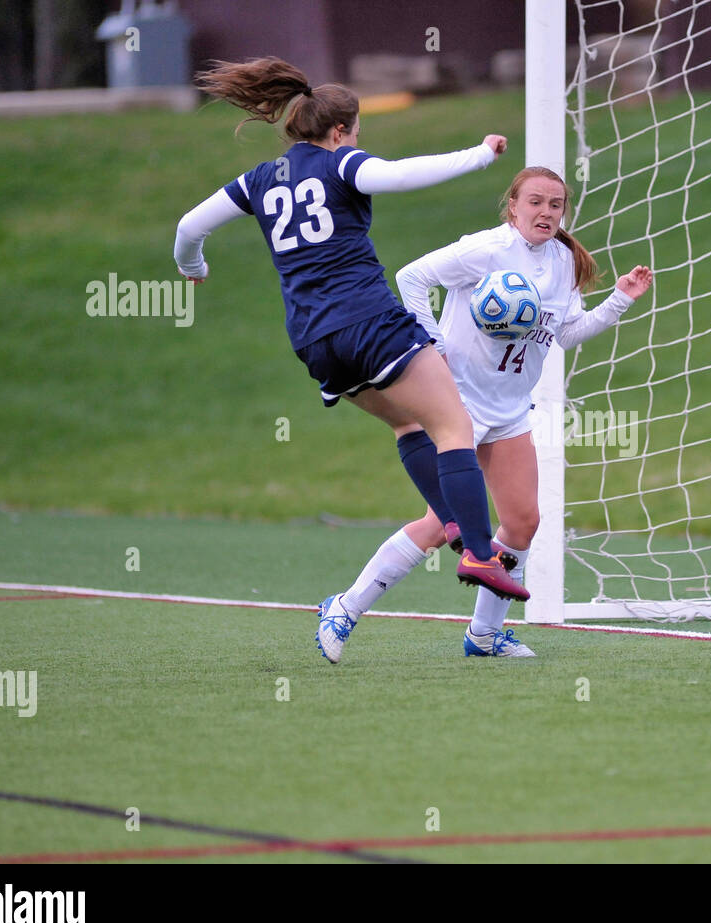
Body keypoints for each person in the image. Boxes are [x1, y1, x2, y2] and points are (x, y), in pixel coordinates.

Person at [171, 56, 527, 609]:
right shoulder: (341, 165)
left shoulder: (260, 179)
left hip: (314, 341)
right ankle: (480, 552)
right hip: (369, 322)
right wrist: (480, 155)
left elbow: (188, 227)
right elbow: (403, 174)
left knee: (409, 423)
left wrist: (192, 267)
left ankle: (456, 525)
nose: (359, 139)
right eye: (357, 130)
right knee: (454, 424)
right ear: (340, 131)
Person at [314, 166, 654, 661]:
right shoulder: (487, 249)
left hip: (512, 409)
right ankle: (344, 607)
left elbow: (565, 334)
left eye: (555, 205)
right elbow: (411, 277)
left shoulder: (563, 261)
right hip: (459, 405)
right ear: (513, 205)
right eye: (535, 202)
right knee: (439, 525)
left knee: (522, 523)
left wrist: (620, 300)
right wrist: (431, 348)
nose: (546, 212)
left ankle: (485, 635)